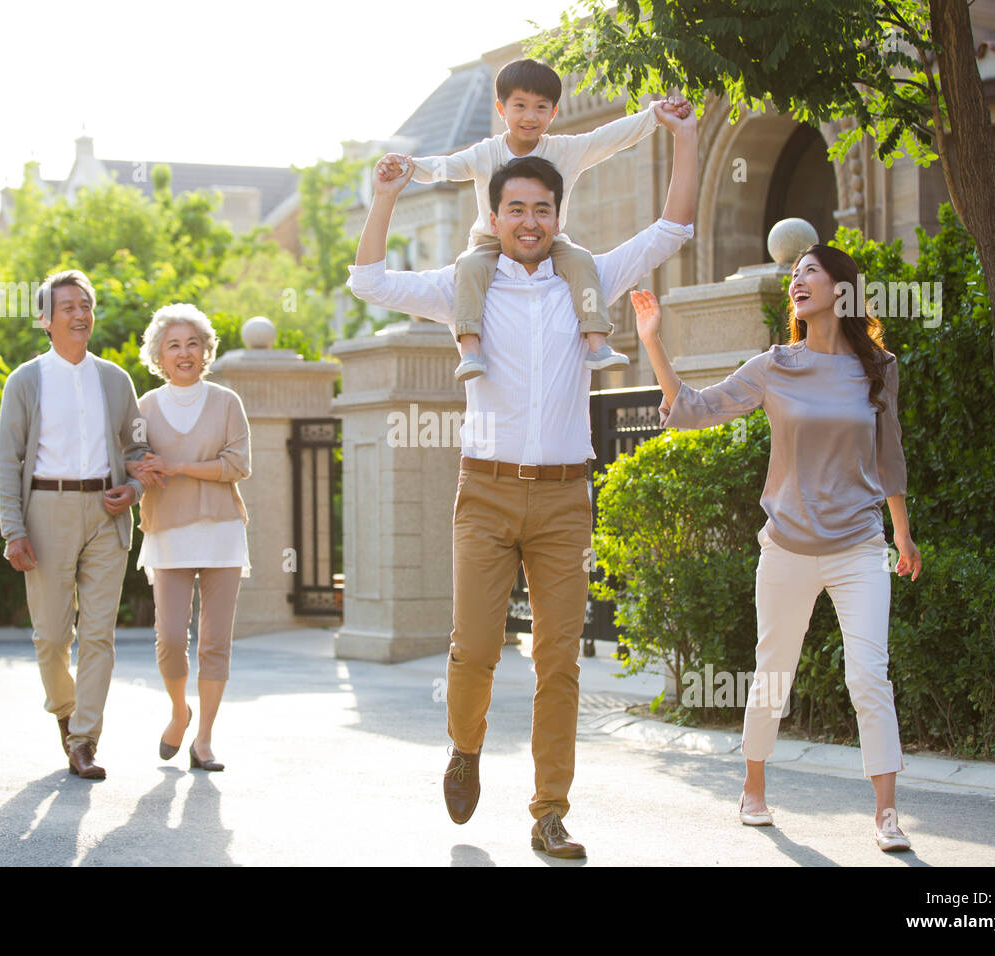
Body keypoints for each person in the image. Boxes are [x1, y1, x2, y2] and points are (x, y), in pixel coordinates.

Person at [348, 98, 697, 858]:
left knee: (558, 661)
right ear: (496, 215)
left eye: (542, 208)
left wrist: (687, 138)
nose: (530, 221)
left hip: (566, 498)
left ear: (557, 214)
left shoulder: (592, 277)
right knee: (474, 650)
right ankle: (466, 746)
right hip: (485, 494)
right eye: (516, 209)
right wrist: (385, 195)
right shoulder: (463, 286)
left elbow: (673, 229)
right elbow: (369, 280)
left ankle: (549, 811)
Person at [632, 243, 923, 852]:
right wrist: (653, 339)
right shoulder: (775, 366)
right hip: (787, 546)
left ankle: (887, 814)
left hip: (858, 543)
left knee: (869, 675)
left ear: (841, 289)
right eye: (794, 273)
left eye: (811, 270)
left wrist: (901, 531)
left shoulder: (879, 367)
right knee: (772, 672)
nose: (798, 279)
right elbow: (692, 410)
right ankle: (755, 789)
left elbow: (888, 453)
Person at [383, 57, 689, 382]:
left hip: (549, 240)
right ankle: (470, 348)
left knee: (582, 261)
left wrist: (654, 116)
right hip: (491, 241)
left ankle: (597, 341)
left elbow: (607, 138)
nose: (530, 117)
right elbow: (447, 166)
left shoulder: (563, 151)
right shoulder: (486, 153)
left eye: (541, 108)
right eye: (520, 106)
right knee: (468, 268)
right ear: (501, 110)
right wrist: (409, 167)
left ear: (553, 113)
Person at [0, 269, 151, 781]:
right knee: (51, 636)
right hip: (46, 511)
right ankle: (65, 715)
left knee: (99, 634)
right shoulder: (25, 380)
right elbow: (5, 460)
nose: (80, 315)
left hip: (106, 513)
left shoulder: (114, 379)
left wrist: (135, 488)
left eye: (85, 305)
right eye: (68, 308)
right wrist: (13, 530)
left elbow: (138, 448)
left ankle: (84, 740)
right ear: (45, 319)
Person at [126, 304, 251, 773]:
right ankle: (179, 712)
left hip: (222, 532)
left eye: (192, 343)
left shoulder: (226, 402)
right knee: (171, 637)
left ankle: (203, 740)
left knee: (215, 642)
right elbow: (131, 460)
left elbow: (239, 464)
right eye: (173, 345)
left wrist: (176, 466)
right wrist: (140, 467)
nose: (184, 352)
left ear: (205, 350)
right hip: (167, 532)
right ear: (159, 354)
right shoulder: (143, 407)